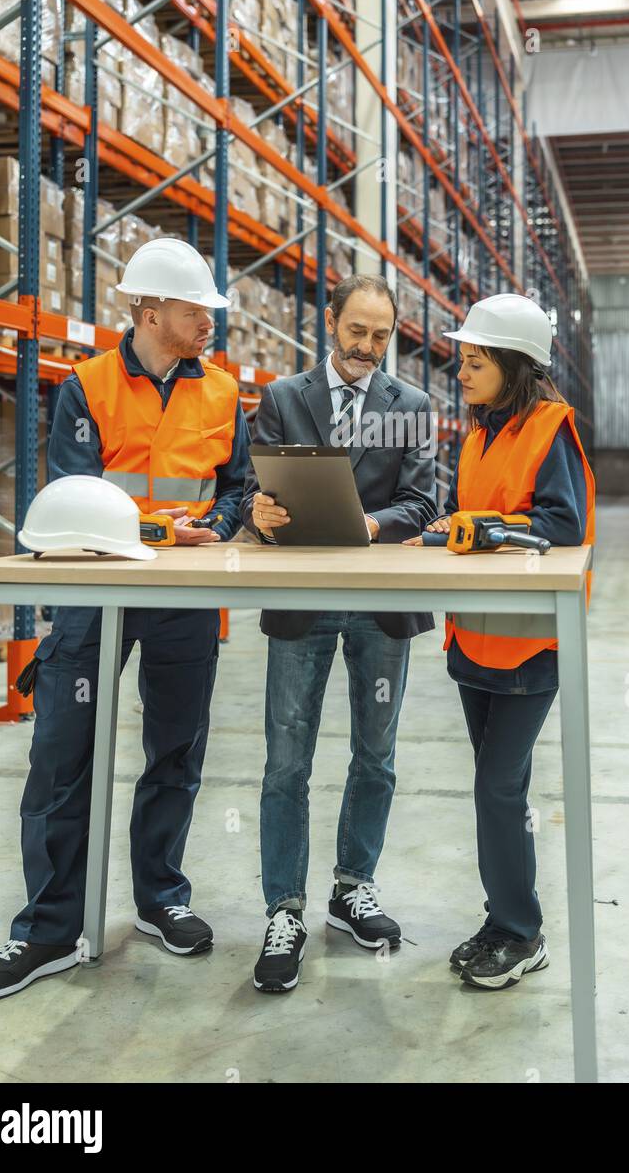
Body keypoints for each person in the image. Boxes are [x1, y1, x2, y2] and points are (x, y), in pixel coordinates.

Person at [0, 238, 250, 1000]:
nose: (209, 322)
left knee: (176, 751)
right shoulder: (89, 386)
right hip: (96, 589)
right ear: (149, 310)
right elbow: (74, 496)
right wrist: (161, 530)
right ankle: (48, 930)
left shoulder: (224, 391)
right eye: (196, 309)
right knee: (63, 754)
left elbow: (236, 486)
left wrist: (221, 523)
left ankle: (162, 899)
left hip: (184, 599)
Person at [241, 274, 437, 992]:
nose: (367, 347)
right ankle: (283, 910)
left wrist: (372, 526)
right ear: (332, 323)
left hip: (381, 603)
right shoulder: (284, 398)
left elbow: (422, 501)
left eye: (381, 336)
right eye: (357, 331)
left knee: (375, 755)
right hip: (301, 599)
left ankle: (353, 886)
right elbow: (254, 489)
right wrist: (259, 517)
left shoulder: (411, 406)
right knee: (286, 762)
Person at [404, 293, 595, 991]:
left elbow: (561, 526)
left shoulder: (551, 430)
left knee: (498, 787)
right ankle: (504, 923)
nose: (460, 371)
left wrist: (485, 528)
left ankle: (520, 932)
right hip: (475, 642)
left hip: (527, 646)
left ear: (514, 365)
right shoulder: (481, 433)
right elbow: (472, 515)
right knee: (495, 790)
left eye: (474, 361)